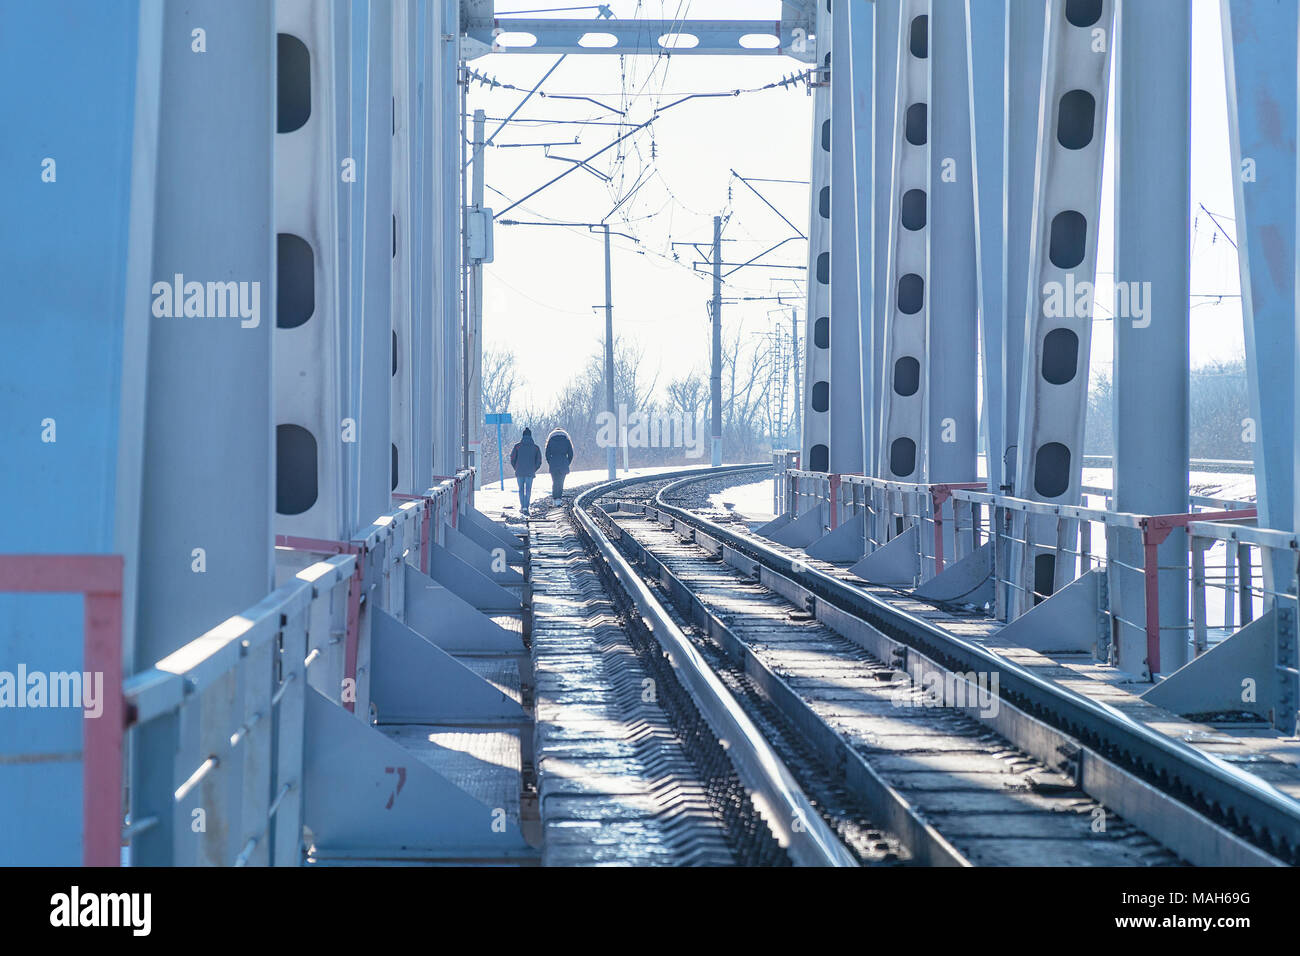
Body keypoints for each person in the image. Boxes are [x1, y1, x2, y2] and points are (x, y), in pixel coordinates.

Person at [508, 427, 542, 513]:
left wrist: (516, 468)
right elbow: (539, 461)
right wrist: (534, 469)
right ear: (531, 436)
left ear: (522, 436)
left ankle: (522, 506)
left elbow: (512, 459)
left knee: (521, 489)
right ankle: (526, 506)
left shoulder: (517, 446)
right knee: (528, 489)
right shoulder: (536, 447)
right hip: (530, 472)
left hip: (519, 472)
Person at [544, 427, 574, 503]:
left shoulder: (551, 440)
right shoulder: (566, 440)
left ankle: (555, 499)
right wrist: (567, 462)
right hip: (563, 463)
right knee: (561, 482)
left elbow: (547, 454)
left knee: (554, 482)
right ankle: (559, 500)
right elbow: (571, 454)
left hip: (553, 463)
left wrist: (550, 462)